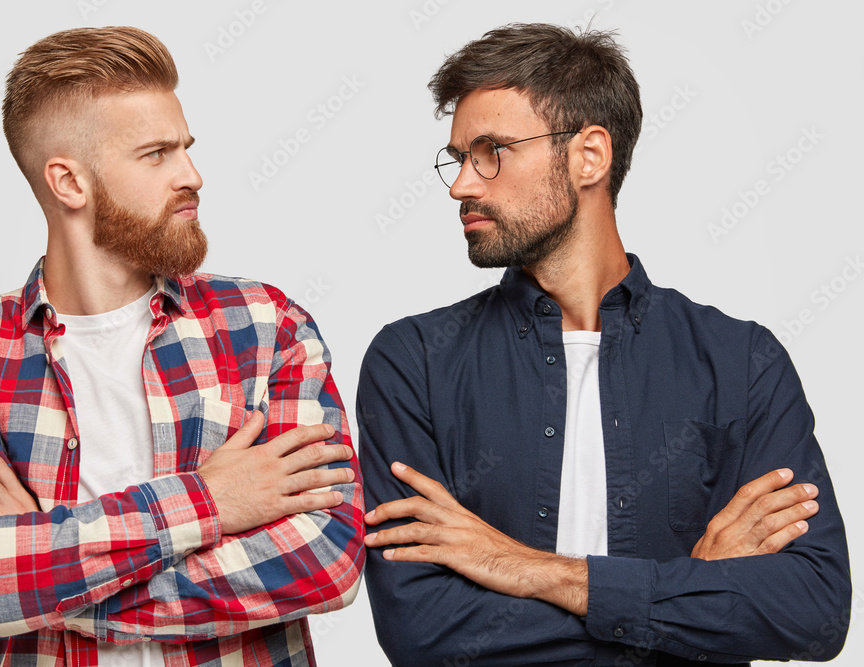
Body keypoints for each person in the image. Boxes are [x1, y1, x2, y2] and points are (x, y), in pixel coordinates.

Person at [358, 23, 850, 666]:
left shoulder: (740, 363)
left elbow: (812, 611)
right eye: (458, 158)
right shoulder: (414, 361)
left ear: (589, 155)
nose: (462, 186)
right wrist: (684, 593)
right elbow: (423, 632)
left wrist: (527, 569)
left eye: (492, 152)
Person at [0, 26, 364, 667]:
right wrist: (213, 501)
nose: (193, 175)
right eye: (156, 154)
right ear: (70, 183)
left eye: (185, 148)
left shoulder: (266, 328)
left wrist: (38, 557)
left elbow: (324, 559)